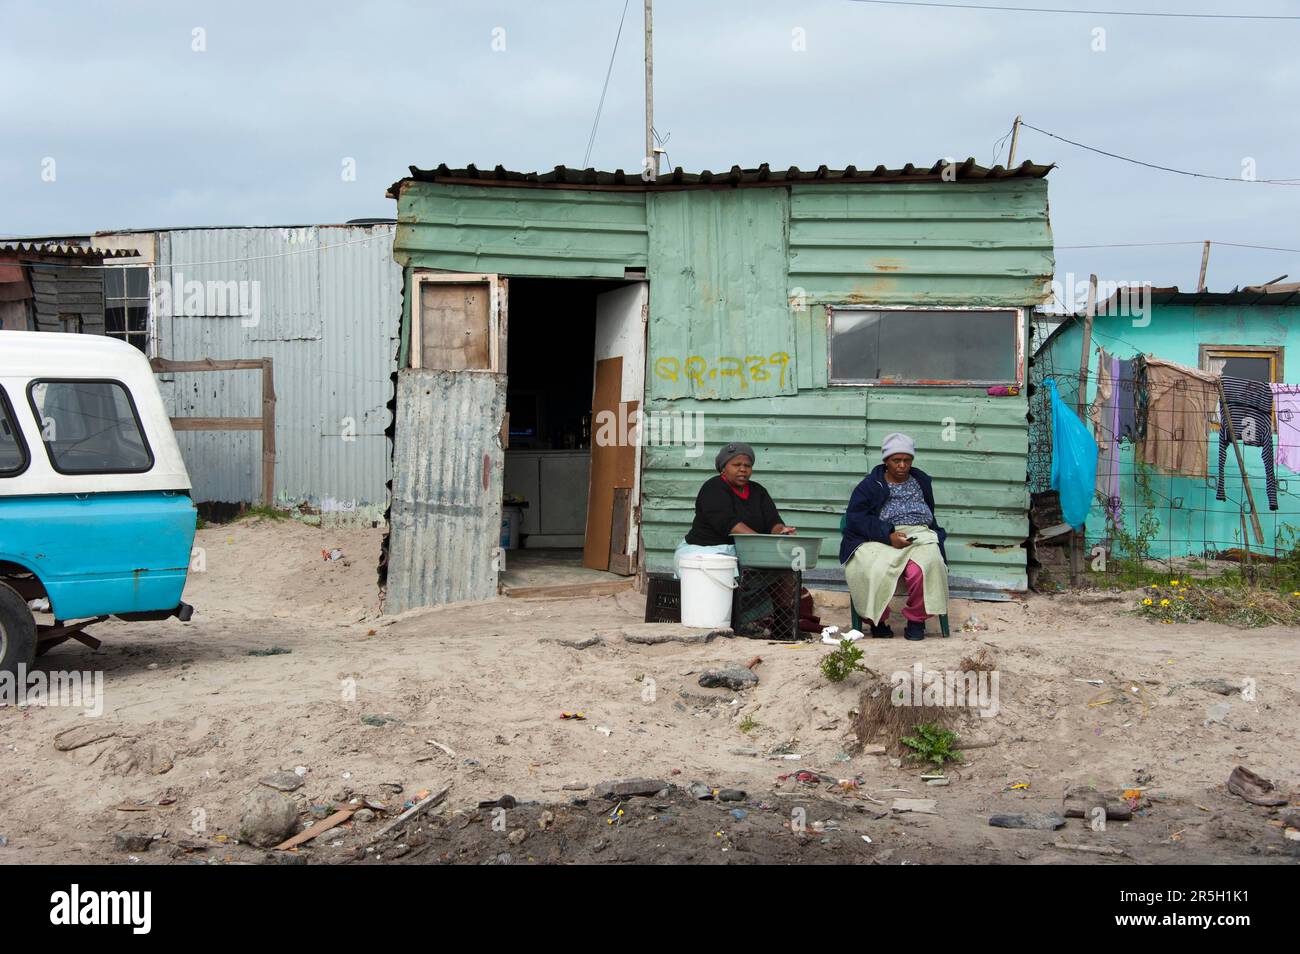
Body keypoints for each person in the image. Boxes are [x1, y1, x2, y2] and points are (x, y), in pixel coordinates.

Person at [840, 432, 948, 641]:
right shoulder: (870, 485)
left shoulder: (921, 481)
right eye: (896, 460)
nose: (901, 465)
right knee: (873, 569)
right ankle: (878, 619)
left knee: (924, 569)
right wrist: (888, 535)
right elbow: (855, 518)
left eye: (906, 460)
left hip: (918, 534)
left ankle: (917, 620)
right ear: (886, 461)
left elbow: (929, 513)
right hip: (880, 535)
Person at [673, 441, 795, 578]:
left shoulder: (758, 491)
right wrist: (763, 544)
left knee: (786, 568)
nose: (743, 469)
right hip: (705, 552)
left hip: (745, 553)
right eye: (737, 465)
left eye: (747, 466)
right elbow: (729, 524)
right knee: (722, 571)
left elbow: (773, 520)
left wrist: (781, 532)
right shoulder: (713, 488)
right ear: (723, 468)